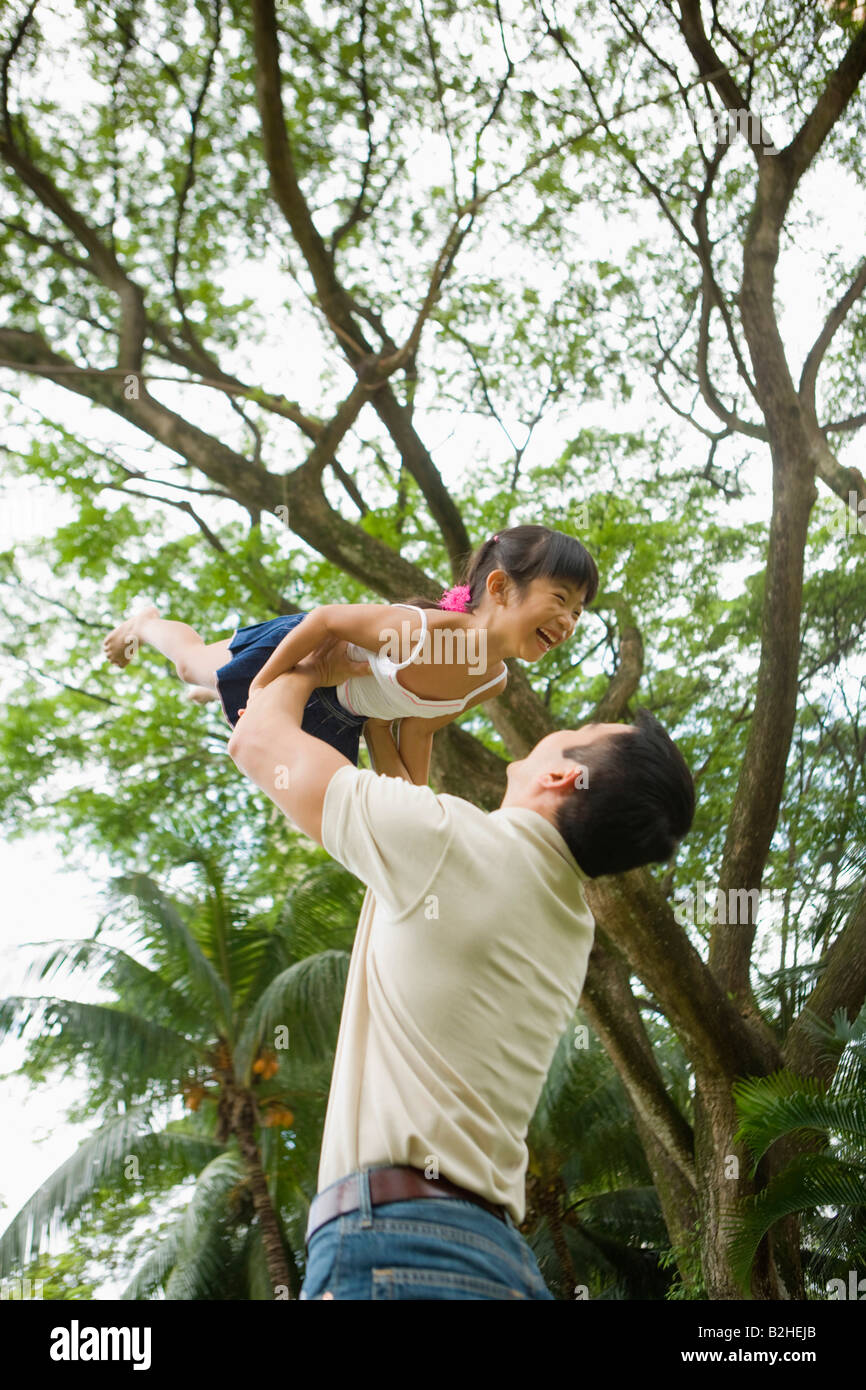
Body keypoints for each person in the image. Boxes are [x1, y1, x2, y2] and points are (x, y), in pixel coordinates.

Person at [226, 641, 696, 1301]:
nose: (558, 731)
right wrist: (401, 717)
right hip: (480, 1255)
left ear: (564, 775)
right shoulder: (565, 921)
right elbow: (411, 825)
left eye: (578, 732)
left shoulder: (452, 848)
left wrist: (305, 662)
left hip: (402, 1248)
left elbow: (258, 743)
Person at [102, 526, 598, 786]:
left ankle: (216, 687)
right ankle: (147, 624)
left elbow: (414, 728)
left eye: (578, 612)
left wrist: (412, 800)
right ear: (500, 587)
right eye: (560, 600)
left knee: (300, 784)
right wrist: (259, 686)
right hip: (302, 654)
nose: (569, 622)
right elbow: (325, 620)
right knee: (191, 662)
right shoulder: (421, 631)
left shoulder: (490, 682)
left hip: (342, 716)